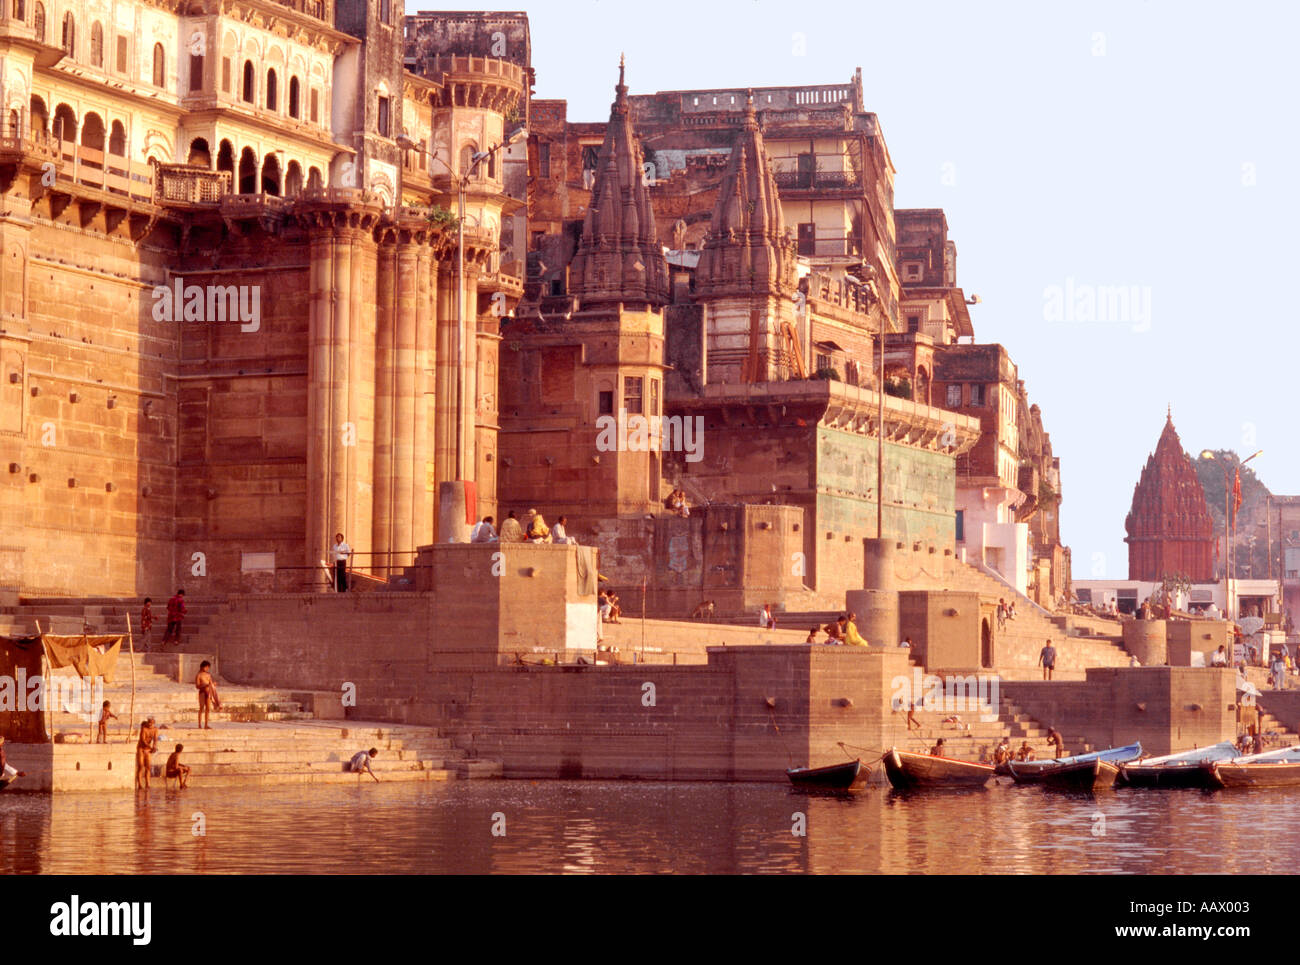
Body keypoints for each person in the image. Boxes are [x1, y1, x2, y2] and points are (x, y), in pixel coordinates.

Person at [135, 717, 160, 790]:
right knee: (141, 766)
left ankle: (148, 784)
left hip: (148, 749)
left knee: (148, 767)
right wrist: (150, 747)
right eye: (149, 722)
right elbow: (143, 740)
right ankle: (139, 784)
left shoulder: (155, 729)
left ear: (154, 723)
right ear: (147, 722)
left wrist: (154, 746)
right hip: (141, 748)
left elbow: (155, 739)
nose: (150, 724)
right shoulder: (144, 729)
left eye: (151, 723)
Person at [195, 661, 220, 730]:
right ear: (202, 667)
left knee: (208, 708)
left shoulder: (208, 675)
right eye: (206, 667)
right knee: (201, 708)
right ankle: (199, 724)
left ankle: (206, 725)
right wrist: (204, 685)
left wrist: (213, 684)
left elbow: (210, 683)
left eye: (208, 667)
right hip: (202, 692)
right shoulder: (199, 675)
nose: (207, 669)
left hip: (208, 692)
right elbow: (197, 686)